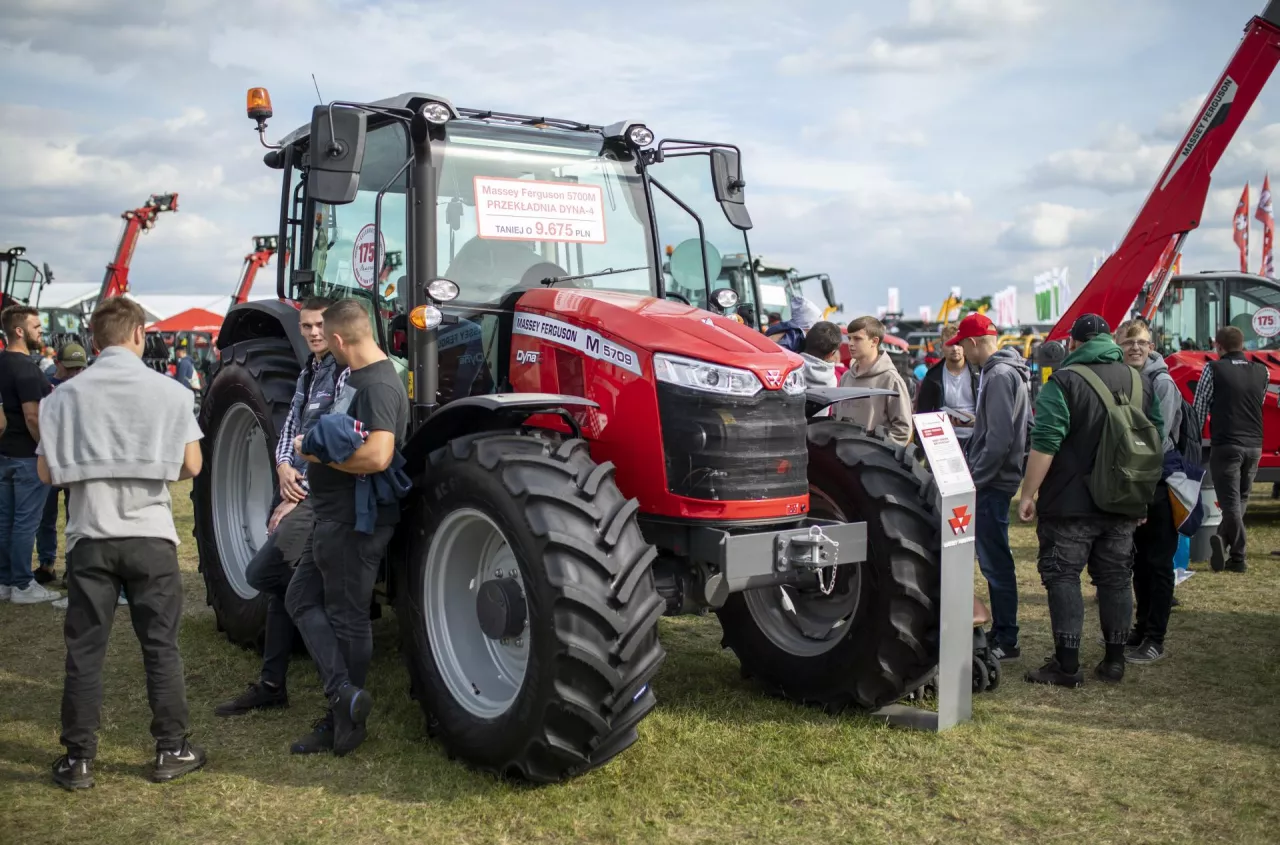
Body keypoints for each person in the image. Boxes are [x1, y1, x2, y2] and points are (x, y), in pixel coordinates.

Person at [36, 297, 206, 789]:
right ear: (140, 335)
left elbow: (47, 472)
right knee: (161, 648)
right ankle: (171, 749)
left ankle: (79, 760)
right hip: (150, 535)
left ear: (93, 341)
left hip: (90, 535)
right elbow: (192, 466)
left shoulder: (61, 397)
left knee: (86, 651)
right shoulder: (171, 392)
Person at [284, 300, 409, 757]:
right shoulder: (354, 379)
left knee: (347, 616)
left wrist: (316, 454)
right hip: (333, 515)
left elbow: (377, 456)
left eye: (327, 340)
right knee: (301, 599)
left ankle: (346, 717)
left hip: (355, 523)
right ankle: (345, 695)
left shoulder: (378, 384)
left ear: (338, 340)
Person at [214, 298, 347, 717]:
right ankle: (274, 683)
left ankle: (333, 687)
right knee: (275, 580)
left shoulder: (346, 373)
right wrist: (282, 469)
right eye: (306, 325)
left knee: (269, 575)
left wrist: (296, 489)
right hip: (299, 488)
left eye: (318, 325)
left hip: (312, 494)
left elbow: (335, 437)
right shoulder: (309, 369)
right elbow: (292, 423)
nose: (310, 333)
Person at [1018, 314, 1162, 687]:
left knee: (1063, 576)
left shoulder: (1064, 381)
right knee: (1116, 578)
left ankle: (1067, 664)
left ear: (1074, 344)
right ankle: (1114, 661)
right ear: (1112, 343)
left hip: (1070, 502)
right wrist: (1141, 498)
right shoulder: (1141, 380)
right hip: (1124, 498)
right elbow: (1155, 441)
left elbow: (1046, 441)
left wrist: (1028, 493)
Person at [949, 313, 1031, 661]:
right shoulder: (1008, 372)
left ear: (971, 343)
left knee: (995, 561)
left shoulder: (997, 375)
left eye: (962, 346)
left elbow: (998, 439)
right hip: (1001, 477)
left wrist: (975, 479)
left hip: (992, 481)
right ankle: (1004, 633)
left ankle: (1006, 637)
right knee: (996, 558)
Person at [1120, 322, 1182, 663]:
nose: (1135, 348)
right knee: (1139, 563)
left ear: (1151, 344)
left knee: (1158, 563)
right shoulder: (1125, 378)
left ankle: (1155, 637)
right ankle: (1141, 629)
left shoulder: (1161, 382)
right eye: (1129, 342)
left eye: (1141, 342)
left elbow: (1154, 441)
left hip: (1157, 481)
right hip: (1134, 480)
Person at [1192, 325, 1267, 573]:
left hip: (1226, 444)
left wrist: (1192, 438)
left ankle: (1239, 555)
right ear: (1243, 345)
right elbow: (1261, 401)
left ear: (1218, 346)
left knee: (1230, 502)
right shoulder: (1261, 371)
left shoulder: (1213, 369)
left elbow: (1200, 406)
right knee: (1242, 498)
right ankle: (1227, 546)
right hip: (1255, 444)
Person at [0, 305, 58, 604]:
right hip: (26, 455)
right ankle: (22, 584)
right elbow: (32, 417)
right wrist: (46, 451)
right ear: (19, 330)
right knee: (24, 522)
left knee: (6, 520)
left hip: (5, 453)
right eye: (36, 326)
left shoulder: (2, 363)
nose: (40, 332)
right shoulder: (25, 368)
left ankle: (6, 580)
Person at [35, 343, 89, 587]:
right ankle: (46, 564)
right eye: (71, 368)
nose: (76, 373)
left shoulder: (87, 385)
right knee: (45, 516)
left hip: (73, 459)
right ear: (57, 364)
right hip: (50, 458)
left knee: (74, 516)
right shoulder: (44, 384)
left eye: (80, 368)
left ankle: (72, 568)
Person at [832, 316, 912, 444]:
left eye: (857, 338)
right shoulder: (846, 377)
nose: (851, 343)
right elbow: (835, 419)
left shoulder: (890, 380)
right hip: (842, 457)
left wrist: (876, 451)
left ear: (874, 341)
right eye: (849, 338)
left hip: (872, 460)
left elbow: (902, 430)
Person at [914, 324, 980, 443]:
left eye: (958, 343)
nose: (955, 348)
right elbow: (923, 414)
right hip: (945, 440)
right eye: (950, 344)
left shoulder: (979, 373)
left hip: (977, 439)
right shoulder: (932, 376)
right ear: (941, 347)